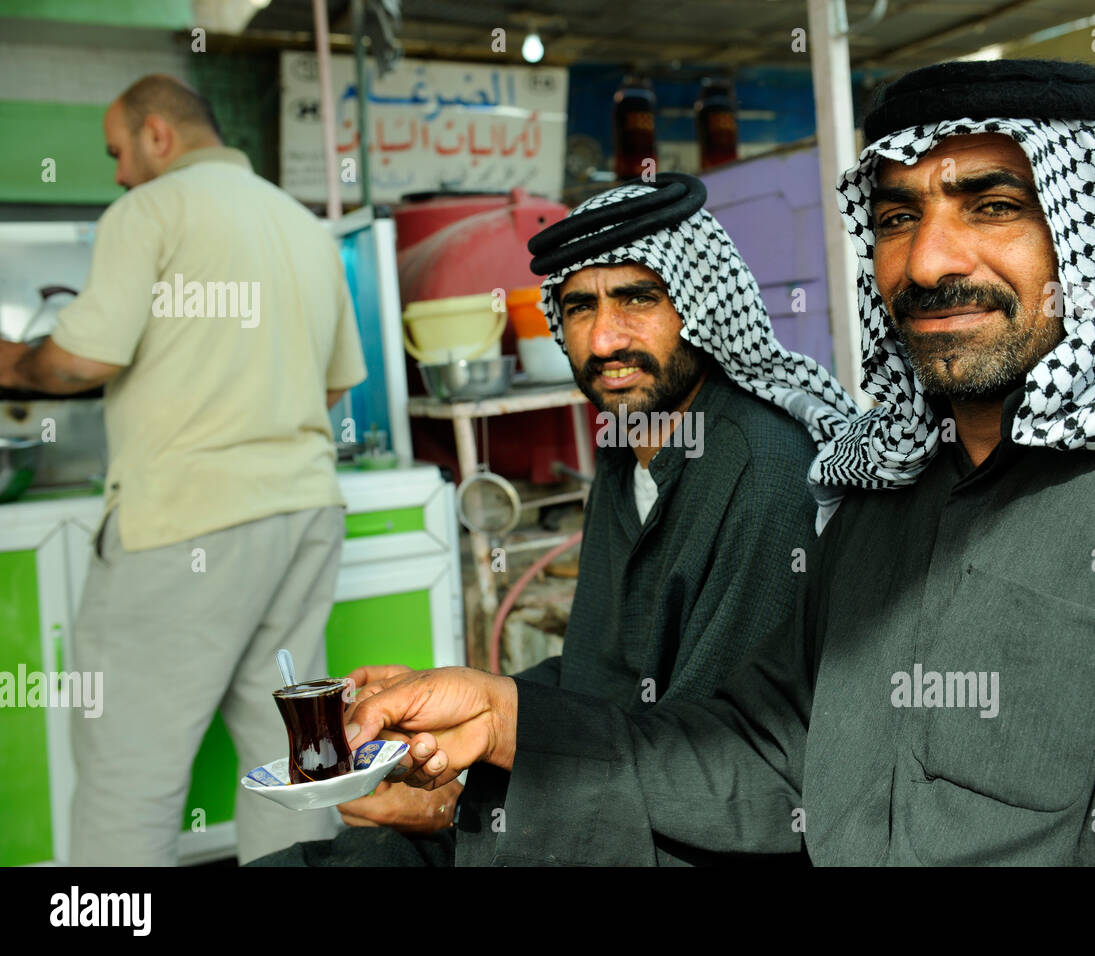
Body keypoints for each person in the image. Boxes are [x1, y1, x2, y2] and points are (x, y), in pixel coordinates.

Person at [344, 60, 1095, 865]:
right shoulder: (881, 489)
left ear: (1093, 239)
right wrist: (509, 722)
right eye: (895, 219)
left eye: (994, 205)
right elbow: (769, 755)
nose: (928, 262)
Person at [248, 173, 861, 866]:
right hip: (595, 801)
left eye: (637, 299)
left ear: (698, 304)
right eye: (578, 308)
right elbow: (601, 686)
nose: (603, 341)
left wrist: (464, 791)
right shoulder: (626, 447)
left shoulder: (760, 470)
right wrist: (447, 705)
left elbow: (726, 778)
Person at [0, 74, 367, 864]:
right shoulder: (303, 225)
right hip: (304, 513)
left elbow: (80, 360)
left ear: (157, 134)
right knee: (296, 763)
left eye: (117, 152)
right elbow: (333, 382)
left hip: (186, 521)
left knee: (130, 774)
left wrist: (16, 361)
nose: (119, 173)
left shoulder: (149, 210)